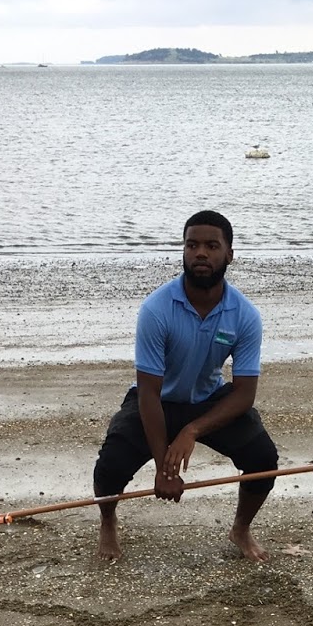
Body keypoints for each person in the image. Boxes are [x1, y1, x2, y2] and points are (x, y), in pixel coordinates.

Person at [93, 210, 278, 563]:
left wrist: (192, 430)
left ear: (230, 255)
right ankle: (108, 521)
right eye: (192, 245)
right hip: (157, 400)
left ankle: (240, 528)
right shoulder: (157, 309)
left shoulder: (245, 314)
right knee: (110, 465)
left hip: (209, 400)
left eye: (212, 245)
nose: (201, 254)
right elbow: (147, 391)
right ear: (183, 251)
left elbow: (244, 393)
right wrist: (165, 468)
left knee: (263, 458)